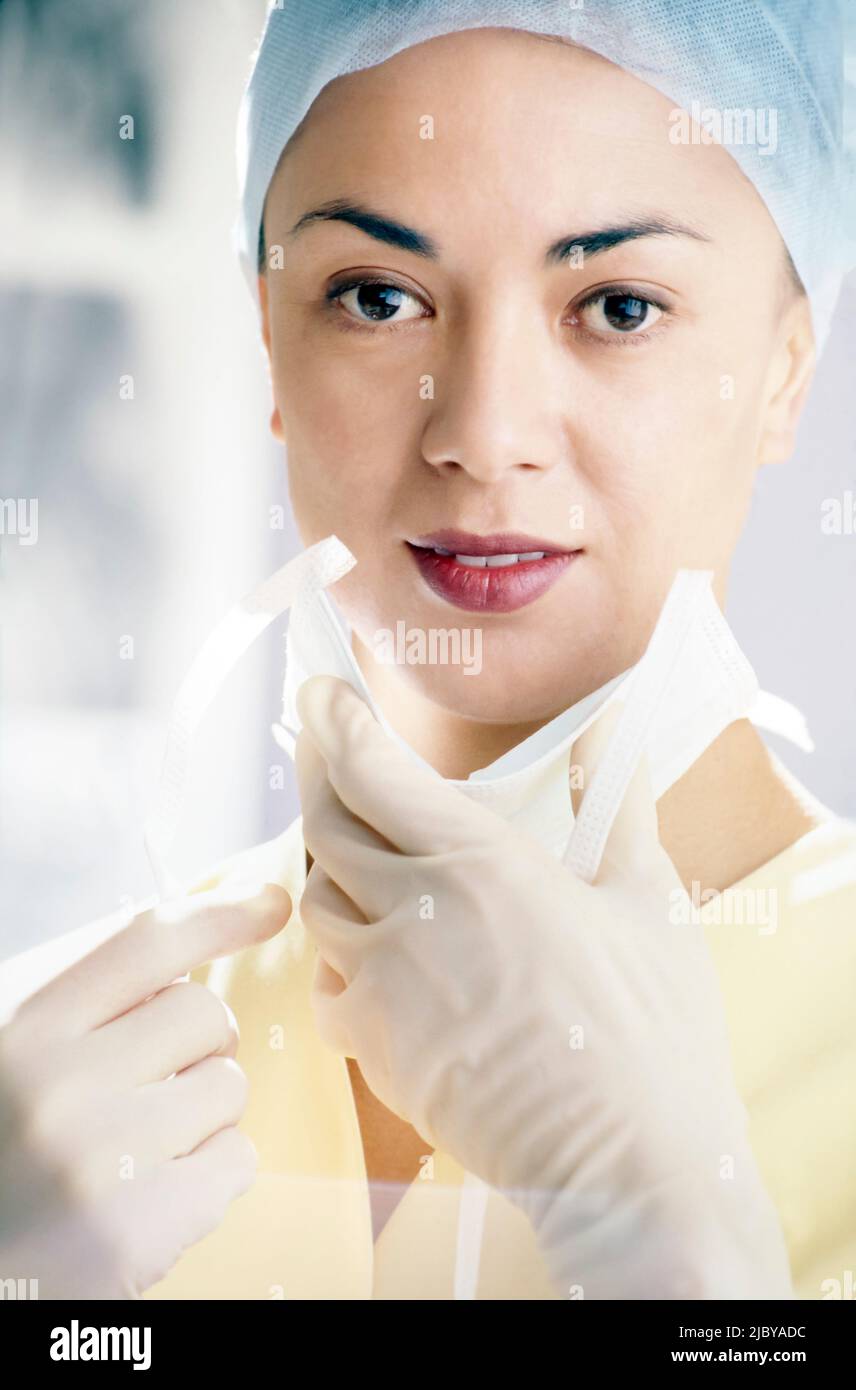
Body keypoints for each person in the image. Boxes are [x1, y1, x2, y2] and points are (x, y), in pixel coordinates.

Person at [2, 1, 854, 1300]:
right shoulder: (54, 1078)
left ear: (789, 368)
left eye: (618, 306)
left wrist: (675, 1243)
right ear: (269, 339)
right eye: (379, 296)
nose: (482, 428)